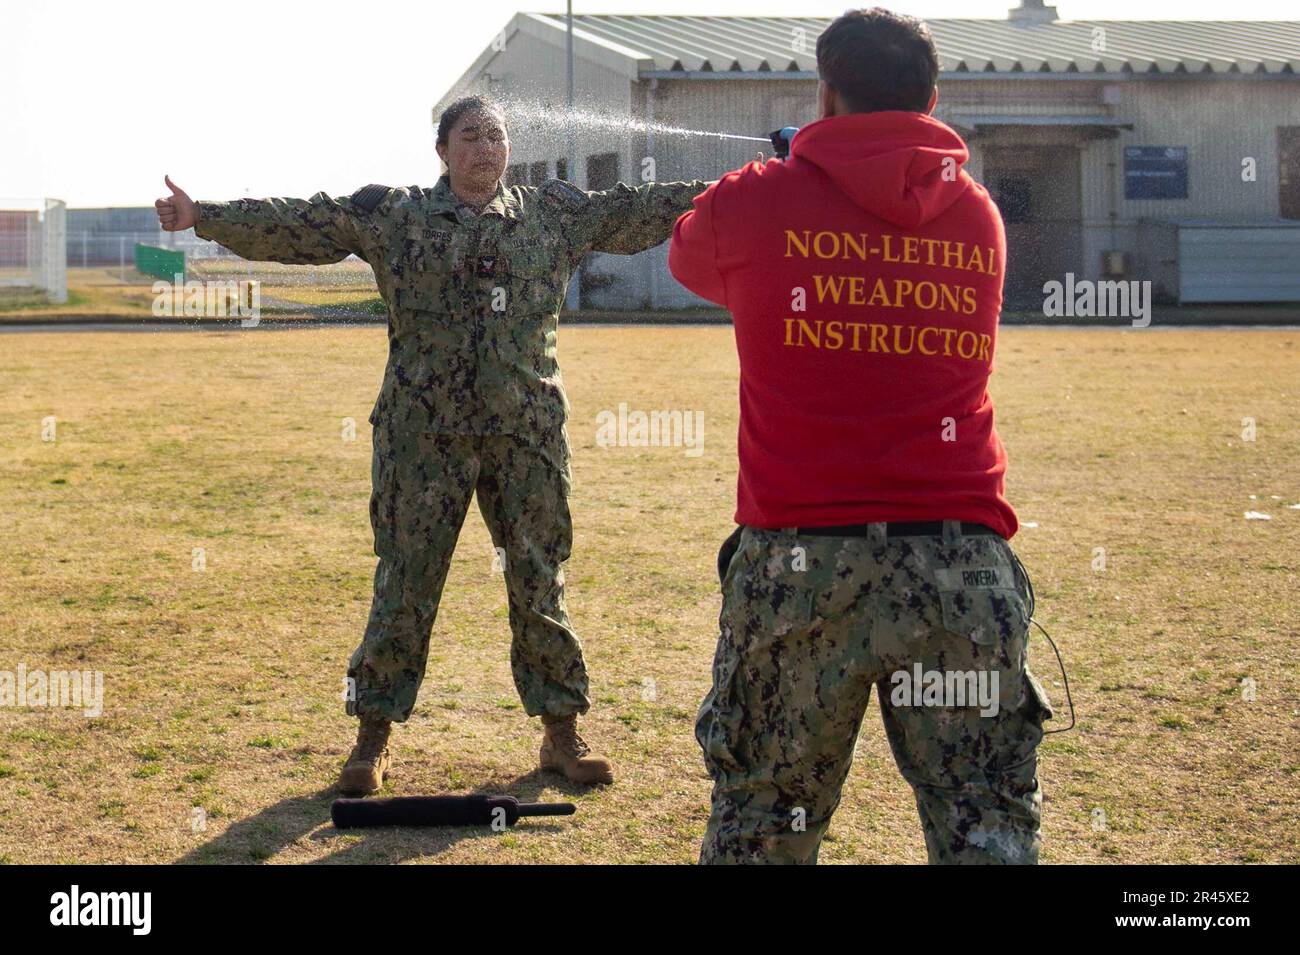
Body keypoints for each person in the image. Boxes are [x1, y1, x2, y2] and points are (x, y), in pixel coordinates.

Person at [156, 95, 709, 793]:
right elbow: (303, 222)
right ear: (442, 151)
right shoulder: (395, 215)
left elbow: (644, 207)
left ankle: (563, 735)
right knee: (405, 584)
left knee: (539, 581)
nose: (487, 147)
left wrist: (763, 180)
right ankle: (370, 740)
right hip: (422, 439)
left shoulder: (553, 213)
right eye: (471, 135)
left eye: (497, 135)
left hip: (525, 434)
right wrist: (204, 214)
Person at [668, 8, 1052, 863]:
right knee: (984, 821)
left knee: (764, 820)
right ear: (932, 98)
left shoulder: (756, 196)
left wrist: (791, 165)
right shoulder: (979, 213)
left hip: (801, 561)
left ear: (825, 92)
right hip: (959, 561)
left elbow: (692, 260)